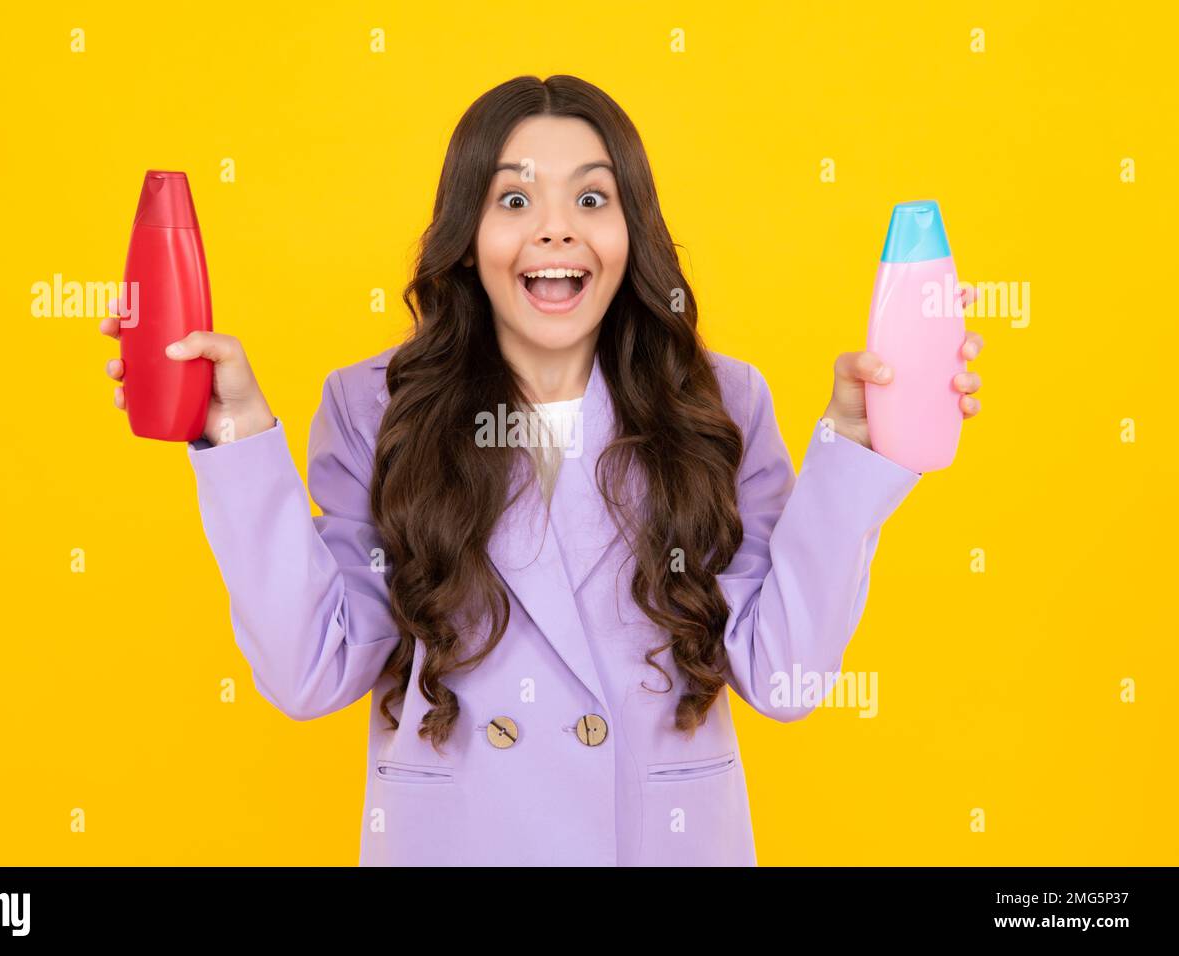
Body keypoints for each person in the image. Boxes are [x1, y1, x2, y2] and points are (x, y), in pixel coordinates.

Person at [99, 75, 984, 866]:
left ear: (630, 231)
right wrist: (242, 441)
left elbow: (784, 673)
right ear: (467, 235)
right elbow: (309, 671)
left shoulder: (716, 405)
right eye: (513, 199)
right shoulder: (376, 408)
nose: (555, 224)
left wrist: (856, 451)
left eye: (591, 197)